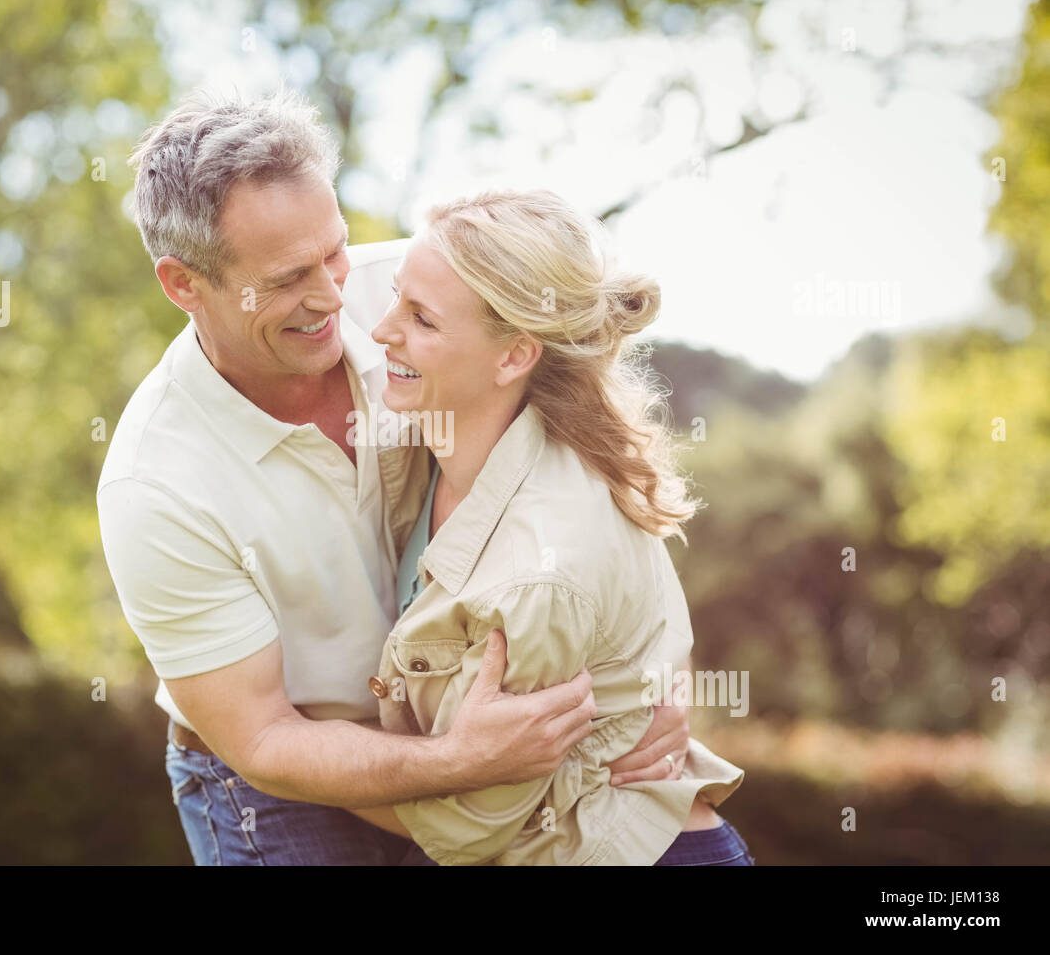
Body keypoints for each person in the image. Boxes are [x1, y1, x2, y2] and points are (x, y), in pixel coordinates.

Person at [96, 89, 695, 866]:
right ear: (184, 284)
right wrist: (458, 763)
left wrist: (660, 679)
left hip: (461, 734)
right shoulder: (156, 485)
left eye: (335, 250)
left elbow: (593, 451)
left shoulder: (419, 293)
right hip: (282, 778)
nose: (334, 296)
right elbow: (263, 736)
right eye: (285, 279)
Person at [344, 189, 754, 865]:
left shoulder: (539, 570)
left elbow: (470, 825)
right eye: (395, 298)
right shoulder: (457, 442)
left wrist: (267, 755)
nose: (383, 329)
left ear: (514, 357)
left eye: (421, 318)